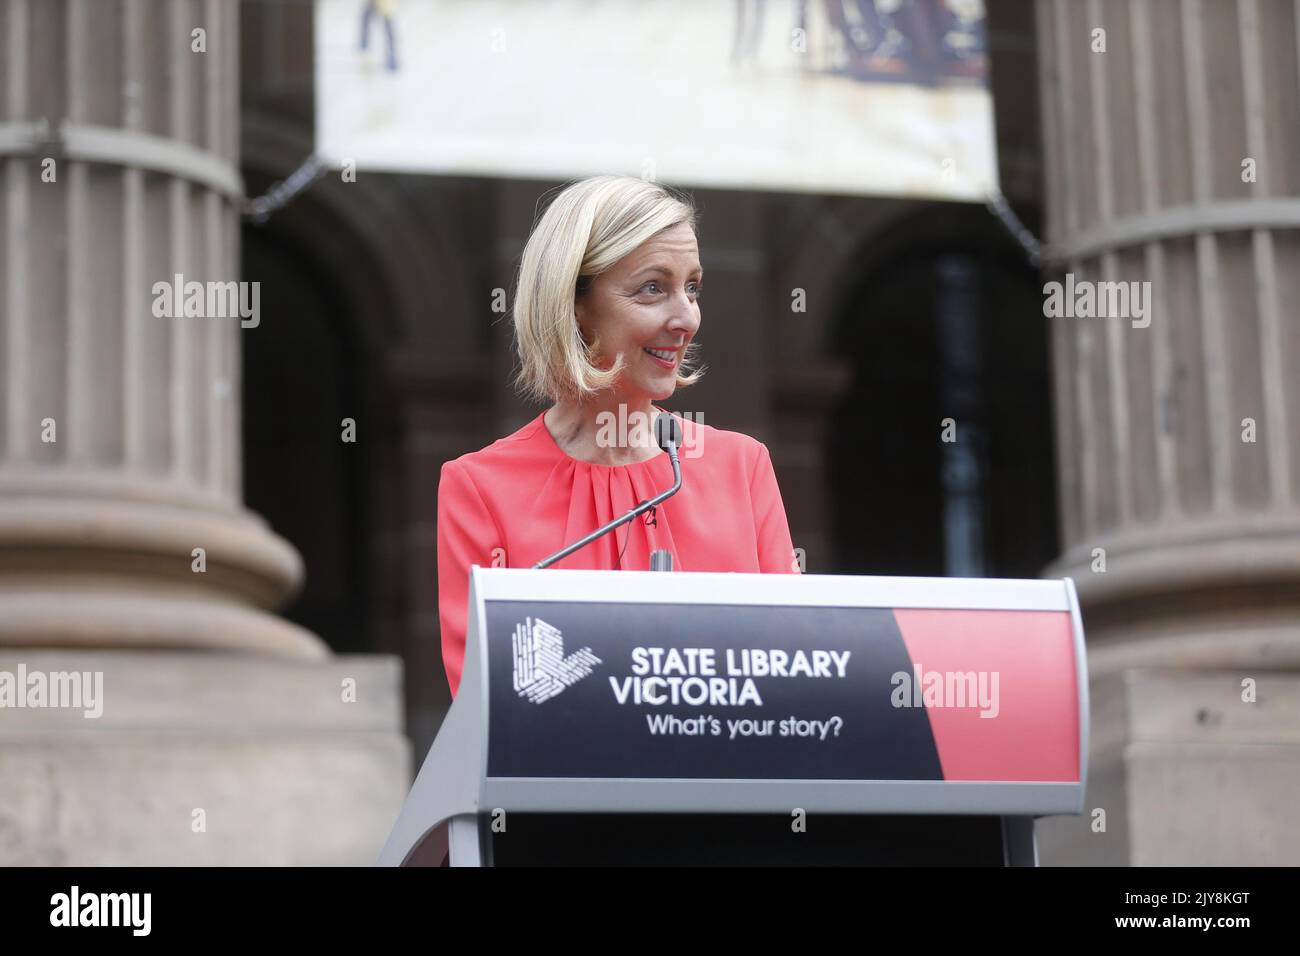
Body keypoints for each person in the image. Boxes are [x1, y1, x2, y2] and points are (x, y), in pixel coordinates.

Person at [437, 175, 801, 697]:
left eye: (692, 287)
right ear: (574, 303)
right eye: (653, 288)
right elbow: (488, 707)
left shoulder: (741, 467)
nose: (687, 318)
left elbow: (791, 674)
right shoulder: (479, 487)